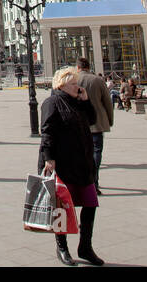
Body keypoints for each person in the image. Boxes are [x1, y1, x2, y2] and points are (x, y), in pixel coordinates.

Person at [39, 66, 104, 266]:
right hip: (63, 163)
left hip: (83, 163)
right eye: (74, 83)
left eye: (77, 82)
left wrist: (86, 101)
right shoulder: (52, 102)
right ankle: (62, 247)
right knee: (61, 207)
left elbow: (92, 120)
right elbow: (47, 132)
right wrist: (49, 158)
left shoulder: (78, 102)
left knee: (90, 204)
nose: (78, 86)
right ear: (62, 85)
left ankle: (85, 247)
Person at [74, 58, 113, 193]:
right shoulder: (97, 80)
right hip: (96, 123)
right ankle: (94, 182)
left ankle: (82, 182)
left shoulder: (73, 80)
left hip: (78, 124)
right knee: (96, 152)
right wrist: (109, 120)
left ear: (77, 67)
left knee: (80, 153)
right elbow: (107, 102)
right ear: (89, 66)